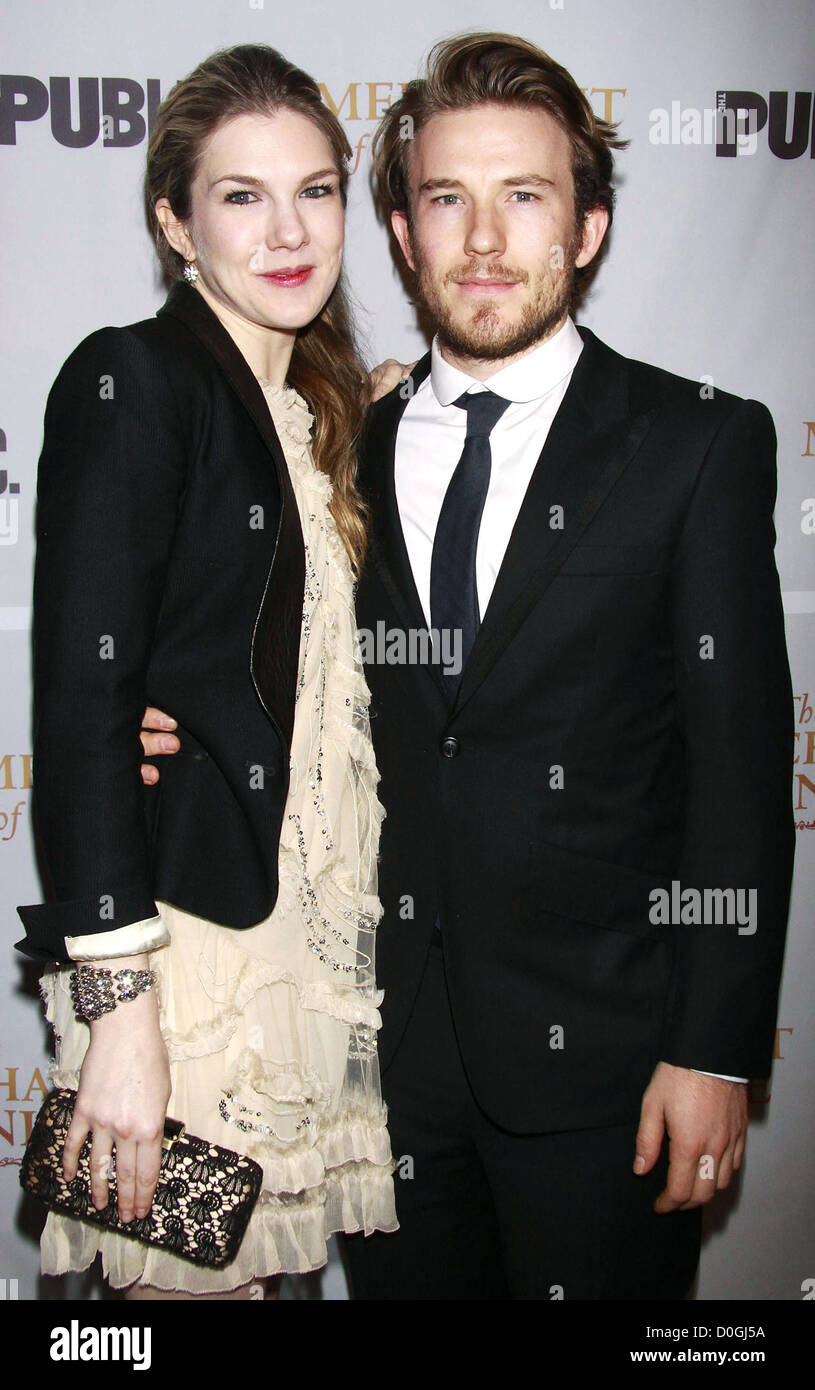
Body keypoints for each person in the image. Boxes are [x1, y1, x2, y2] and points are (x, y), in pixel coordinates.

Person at [139, 32, 794, 1300]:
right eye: (447, 199)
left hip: (609, 1075)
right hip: (381, 1074)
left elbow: (739, 772)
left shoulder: (694, 443)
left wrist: (714, 1049)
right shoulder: (339, 439)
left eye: (525, 197)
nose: (483, 241)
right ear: (398, 228)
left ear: (588, 227)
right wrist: (160, 725)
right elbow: (270, 662)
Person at [16, 43, 397, 1300]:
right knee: (181, 1294)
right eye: (241, 196)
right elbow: (81, 706)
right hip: (188, 968)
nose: (289, 230)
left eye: (317, 188)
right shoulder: (137, 376)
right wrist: (122, 1021)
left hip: (292, 949)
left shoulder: (315, 406)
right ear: (175, 222)